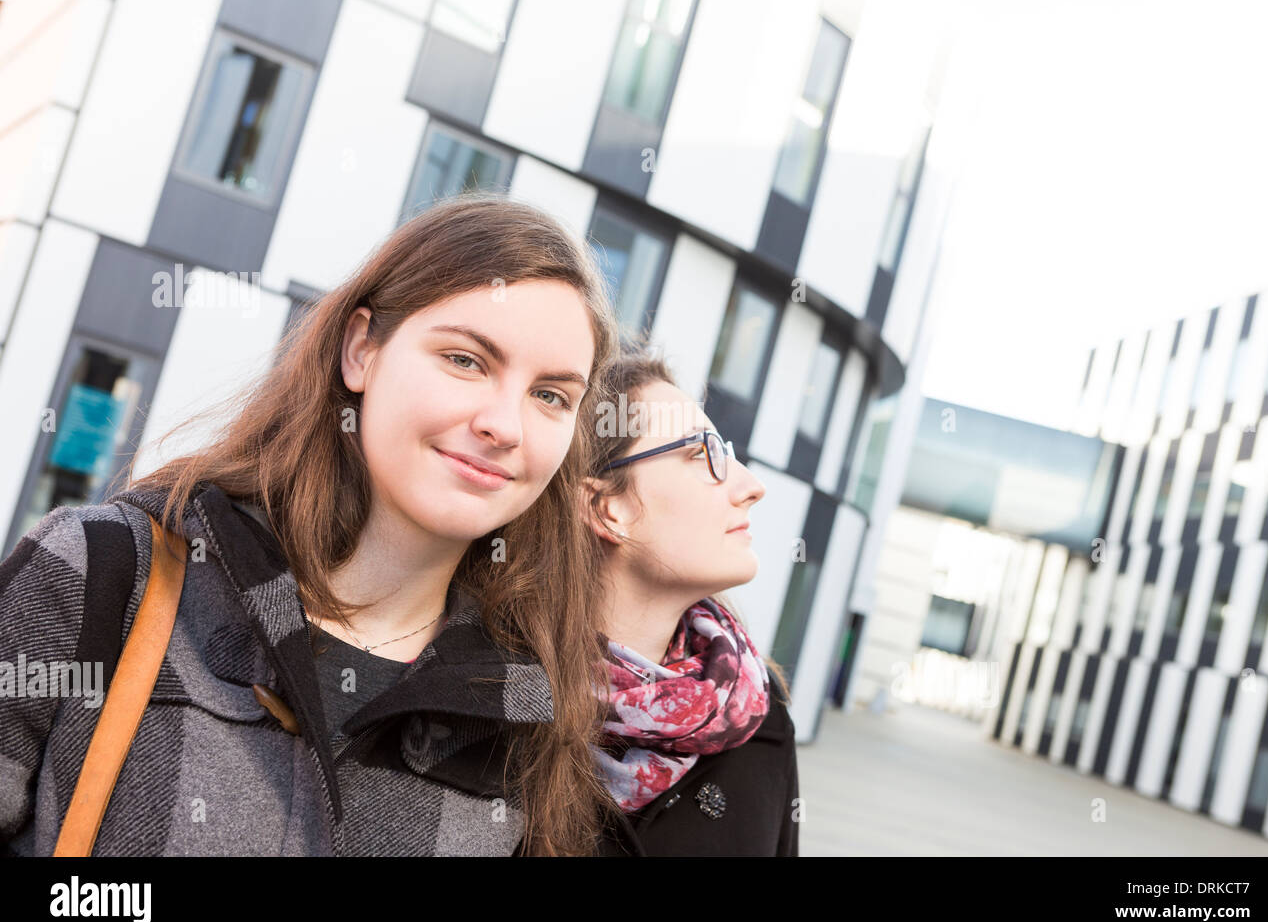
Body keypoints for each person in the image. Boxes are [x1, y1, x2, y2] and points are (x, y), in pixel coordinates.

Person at [0, 192, 621, 856]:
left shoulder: (528, 718)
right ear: (361, 350)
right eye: (466, 360)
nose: (505, 425)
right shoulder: (101, 574)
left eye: (551, 396)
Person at [581, 345, 800, 856]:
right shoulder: (491, 699)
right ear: (608, 507)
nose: (751, 486)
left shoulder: (758, 716)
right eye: (702, 454)